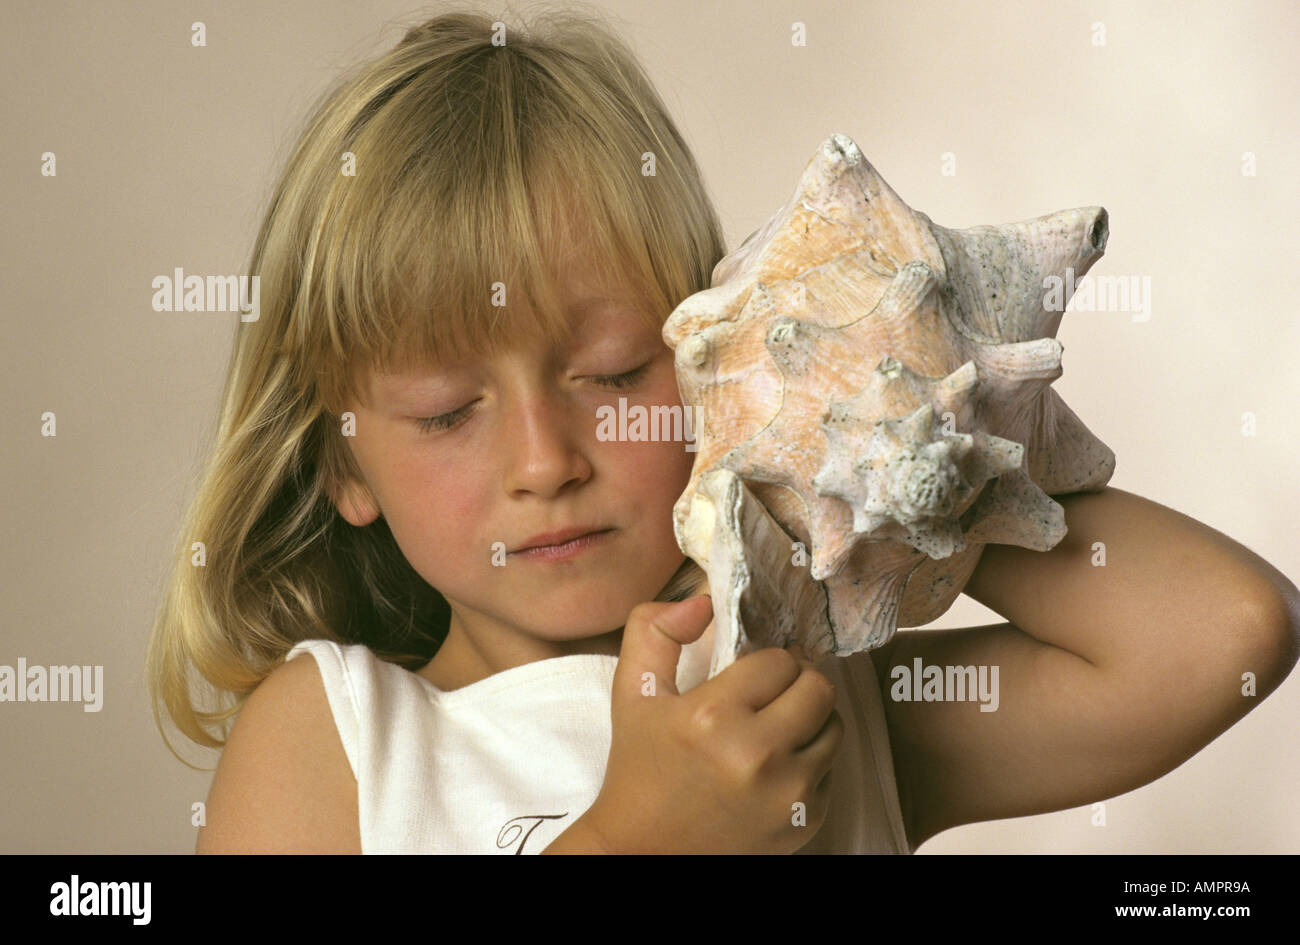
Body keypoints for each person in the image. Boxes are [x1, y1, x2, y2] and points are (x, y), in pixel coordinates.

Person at [146, 8, 1299, 854]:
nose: (546, 463)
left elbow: (1224, 636)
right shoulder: (338, 743)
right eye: (447, 412)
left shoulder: (805, 706)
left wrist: (888, 435)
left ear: (703, 358)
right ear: (344, 457)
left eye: (609, 375)